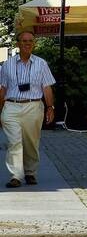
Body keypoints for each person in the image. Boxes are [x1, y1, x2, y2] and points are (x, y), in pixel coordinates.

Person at [0, 29, 55, 188]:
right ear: (18, 44)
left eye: (30, 41)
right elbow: (2, 89)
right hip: (11, 106)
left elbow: (47, 87)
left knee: (31, 142)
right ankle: (16, 175)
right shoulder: (7, 65)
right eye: (24, 41)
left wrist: (50, 107)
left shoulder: (41, 63)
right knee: (14, 142)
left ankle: (30, 172)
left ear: (34, 44)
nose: (27, 44)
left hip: (33, 105)